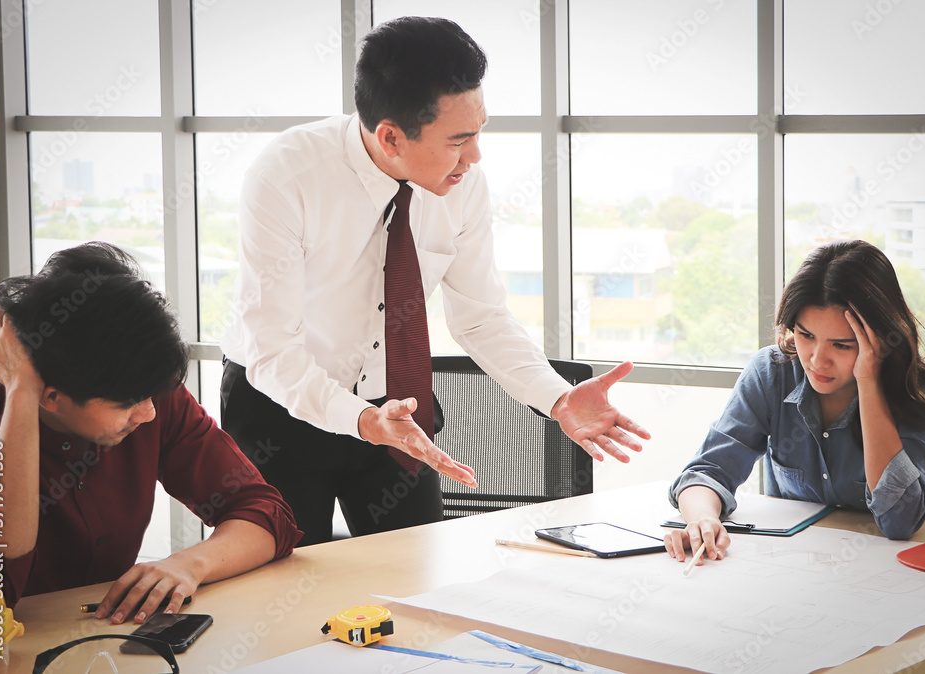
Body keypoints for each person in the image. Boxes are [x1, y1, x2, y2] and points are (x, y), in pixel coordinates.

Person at [220, 16, 650, 546]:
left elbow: (481, 316)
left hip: (398, 412)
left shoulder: (462, 182)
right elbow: (271, 349)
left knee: (414, 576)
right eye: (459, 140)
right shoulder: (287, 175)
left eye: (480, 131)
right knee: (283, 589)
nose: (475, 156)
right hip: (280, 407)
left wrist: (557, 399)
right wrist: (359, 419)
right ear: (391, 136)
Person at [0, 242, 301, 624]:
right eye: (127, 402)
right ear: (52, 396)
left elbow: (265, 514)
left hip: (109, 642)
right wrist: (22, 394)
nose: (147, 413)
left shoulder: (150, 392)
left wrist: (190, 565)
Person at [665, 239, 925, 565]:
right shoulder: (772, 373)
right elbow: (708, 471)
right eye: (805, 336)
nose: (817, 360)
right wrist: (702, 519)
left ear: (881, 339)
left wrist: (869, 383)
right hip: (793, 571)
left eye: (842, 345)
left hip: (893, 576)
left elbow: (902, 523)